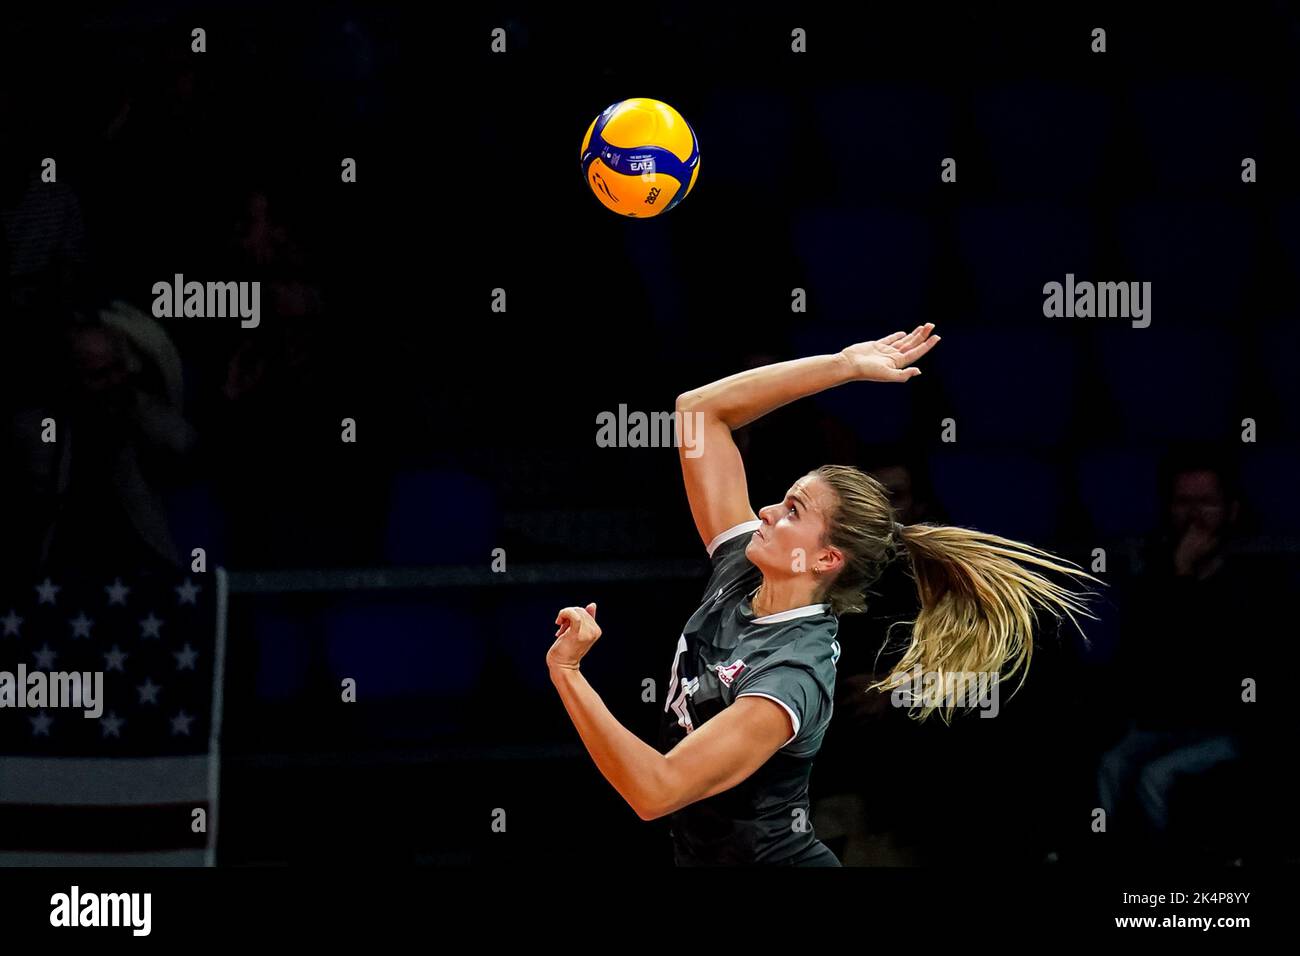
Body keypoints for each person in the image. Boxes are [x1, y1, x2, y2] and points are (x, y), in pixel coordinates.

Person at [547, 323, 1099, 865]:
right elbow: (698, 413)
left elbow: (655, 790)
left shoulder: (791, 672)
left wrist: (568, 675)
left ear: (825, 558)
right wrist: (843, 365)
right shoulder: (744, 567)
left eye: (792, 511)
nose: (766, 512)